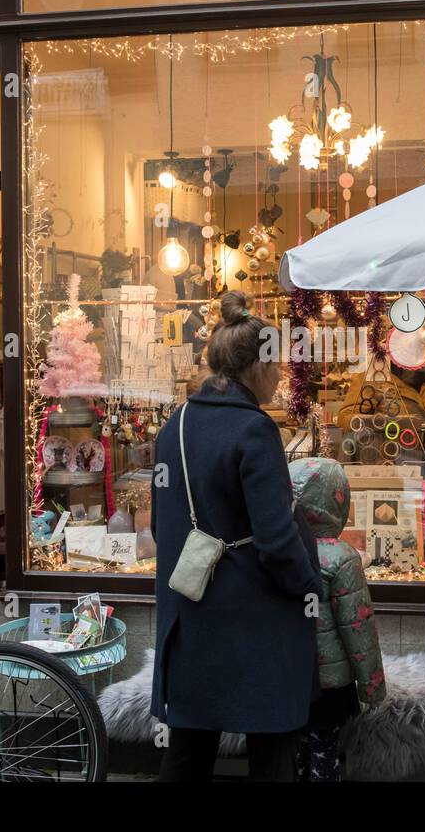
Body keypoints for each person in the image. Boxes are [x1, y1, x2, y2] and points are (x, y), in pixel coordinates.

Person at [152, 291, 322, 781]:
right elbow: (275, 537)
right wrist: (308, 584)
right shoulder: (254, 430)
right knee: (271, 752)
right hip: (255, 622)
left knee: (187, 750)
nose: (281, 375)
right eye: (277, 365)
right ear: (255, 366)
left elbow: (164, 530)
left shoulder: (175, 425)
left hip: (192, 617)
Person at [289, 457, 387, 781]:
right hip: (330, 686)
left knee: (294, 753)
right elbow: (359, 629)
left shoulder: (281, 551)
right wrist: (373, 688)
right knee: (325, 751)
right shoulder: (342, 558)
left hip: (289, 677)